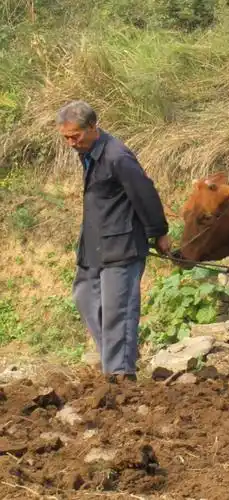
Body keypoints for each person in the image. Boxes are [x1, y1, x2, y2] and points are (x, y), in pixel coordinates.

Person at [57, 100, 171, 382]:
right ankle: (119, 356)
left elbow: (144, 192)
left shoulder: (117, 155)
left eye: (76, 136)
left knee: (117, 309)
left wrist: (158, 232)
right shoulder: (88, 151)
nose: (71, 143)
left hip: (122, 244)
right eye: (66, 137)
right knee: (85, 298)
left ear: (93, 127)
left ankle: (121, 375)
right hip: (95, 245)